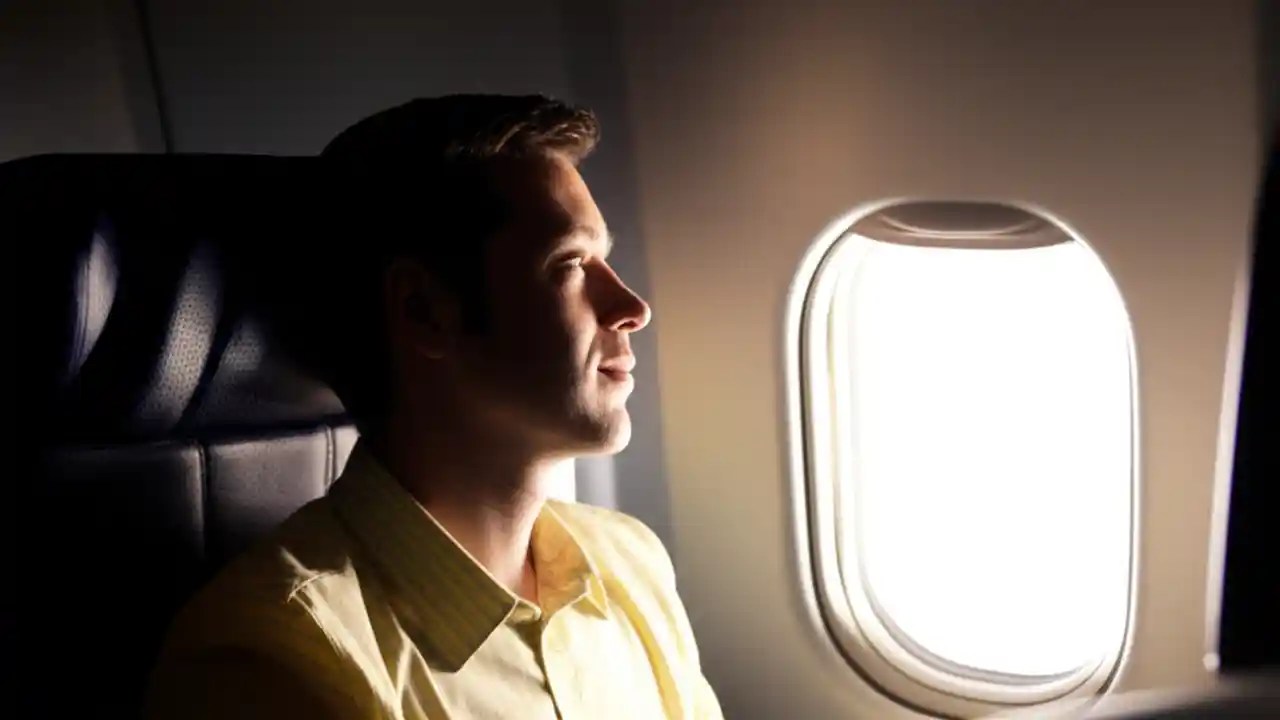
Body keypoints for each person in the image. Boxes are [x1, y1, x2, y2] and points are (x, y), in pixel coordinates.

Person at [145, 95, 724, 719]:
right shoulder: (278, 653)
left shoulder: (628, 562)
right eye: (572, 264)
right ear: (424, 311)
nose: (630, 307)